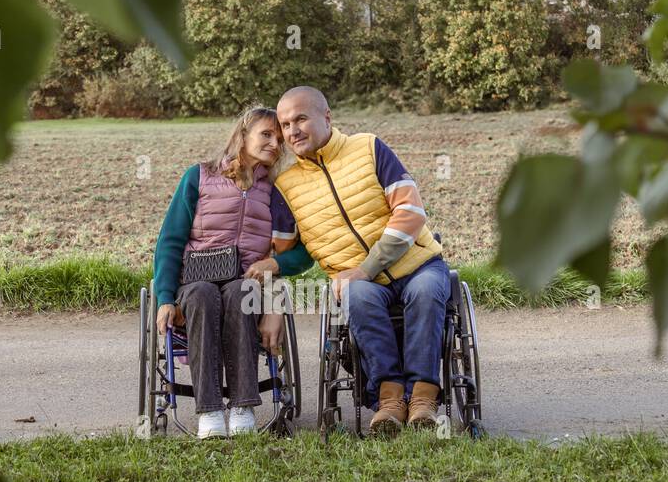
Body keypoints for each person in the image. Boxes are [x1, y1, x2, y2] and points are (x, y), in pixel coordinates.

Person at [247, 86, 448, 436]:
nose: (292, 130)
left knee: (428, 290)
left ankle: (423, 400)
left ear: (326, 117)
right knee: (357, 296)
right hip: (358, 284)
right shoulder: (286, 184)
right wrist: (270, 293)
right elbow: (284, 251)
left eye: (301, 119)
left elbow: (411, 211)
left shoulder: (368, 147)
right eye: (285, 124)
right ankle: (390, 399)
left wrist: (366, 268)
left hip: (416, 264)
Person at [152, 104, 293, 439]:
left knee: (239, 292)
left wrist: (274, 271)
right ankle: (210, 409)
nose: (274, 143)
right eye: (266, 134)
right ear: (243, 136)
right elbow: (170, 241)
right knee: (202, 294)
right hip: (196, 280)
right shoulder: (199, 176)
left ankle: (243, 405)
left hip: (246, 282)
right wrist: (165, 298)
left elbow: (299, 253)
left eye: (279, 138)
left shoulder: (276, 192)